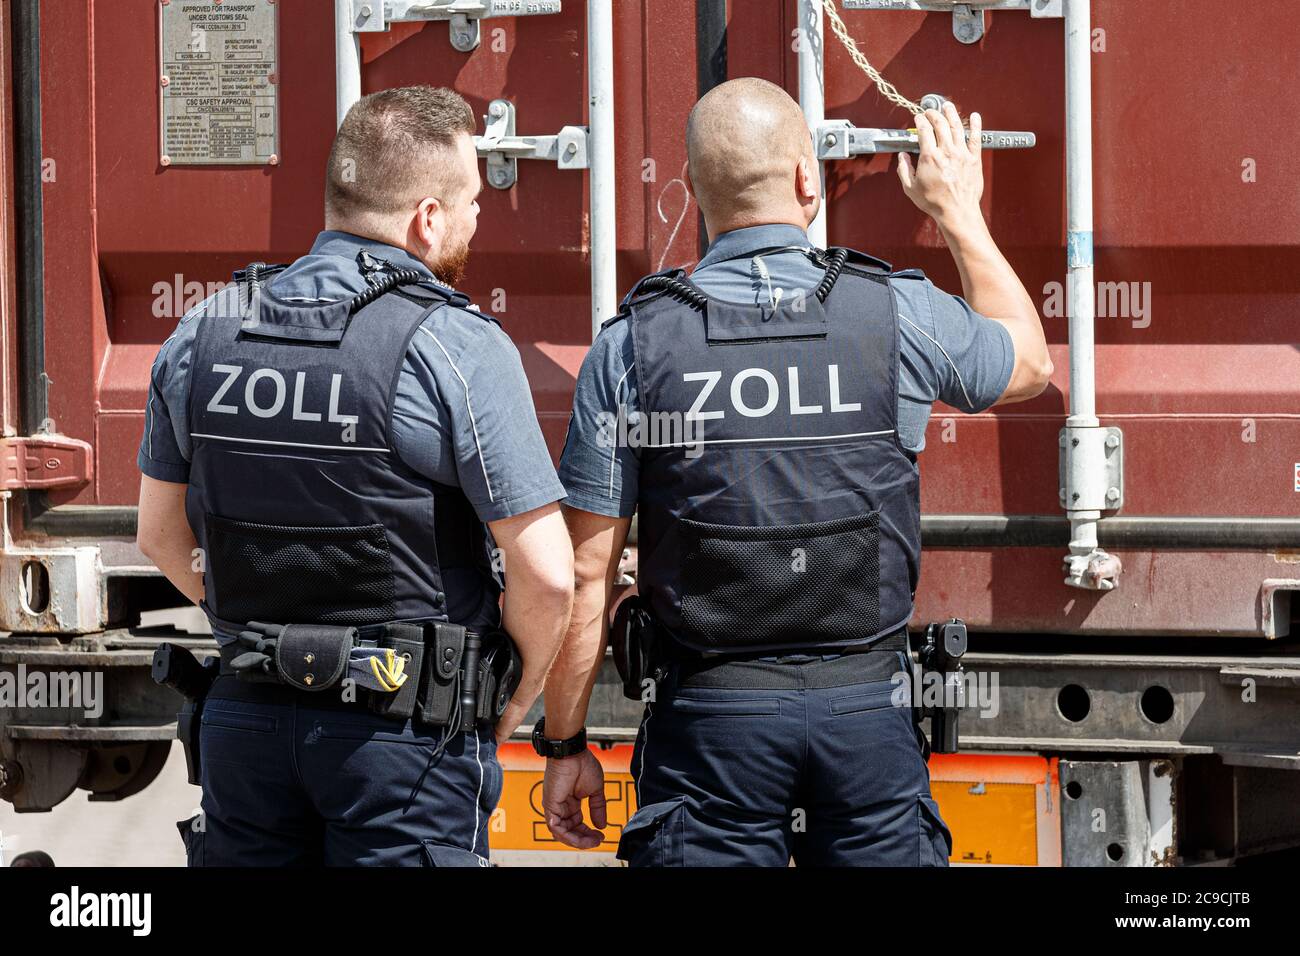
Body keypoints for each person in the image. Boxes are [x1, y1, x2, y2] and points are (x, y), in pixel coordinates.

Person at [537, 77, 1051, 866]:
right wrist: (958, 210)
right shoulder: (894, 311)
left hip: (710, 726)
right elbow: (1029, 363)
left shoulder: (634, 346)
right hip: (869, 713)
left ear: (695, 192)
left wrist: (564, 738)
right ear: (808, 179)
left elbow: (585, 571)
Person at [136, 86, 574, 866]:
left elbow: (160, 536)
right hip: (404, 744)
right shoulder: (455, 345)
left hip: (245, 724)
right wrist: (507, 703)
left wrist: (258, 627)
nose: (480, 218)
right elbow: (546, 576)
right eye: (473, 200)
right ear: (428, 217)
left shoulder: (203, 329)